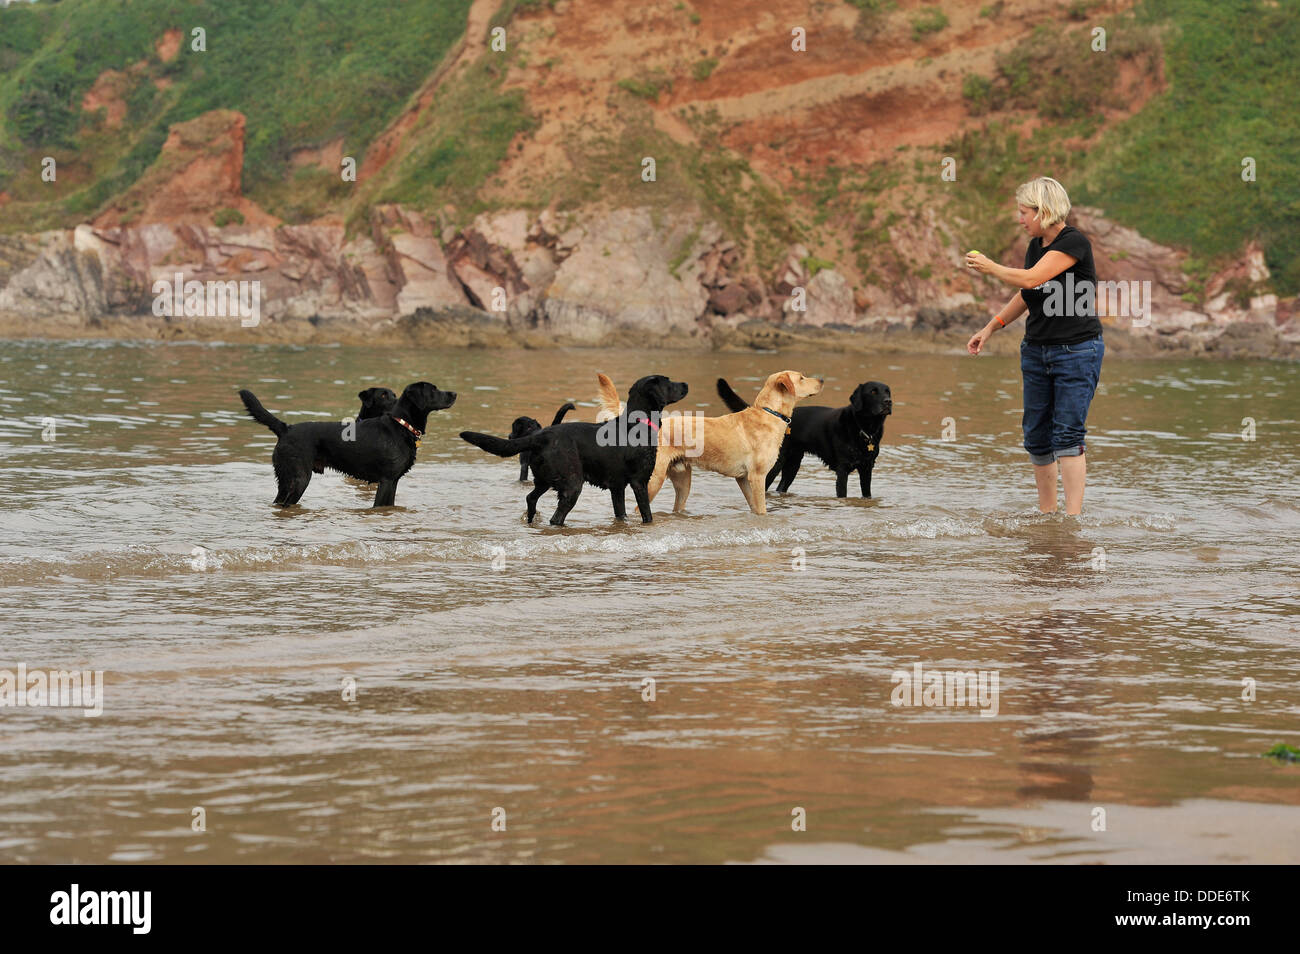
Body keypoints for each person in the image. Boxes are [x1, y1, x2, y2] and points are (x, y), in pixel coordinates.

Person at [965, 176, 1103, 516]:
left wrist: (990, 267)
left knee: (1068, 435)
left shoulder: (1075, 243)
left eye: (1025, 212)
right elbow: (1029, 293)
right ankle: (1047, 515)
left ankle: (1072, 519)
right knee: (1037, 438)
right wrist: (992, 327)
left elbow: (1032, 278)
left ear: (1044, 211)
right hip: (1036, 351)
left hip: (1077, 351)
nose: (1020, 218)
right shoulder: (1036, 246)